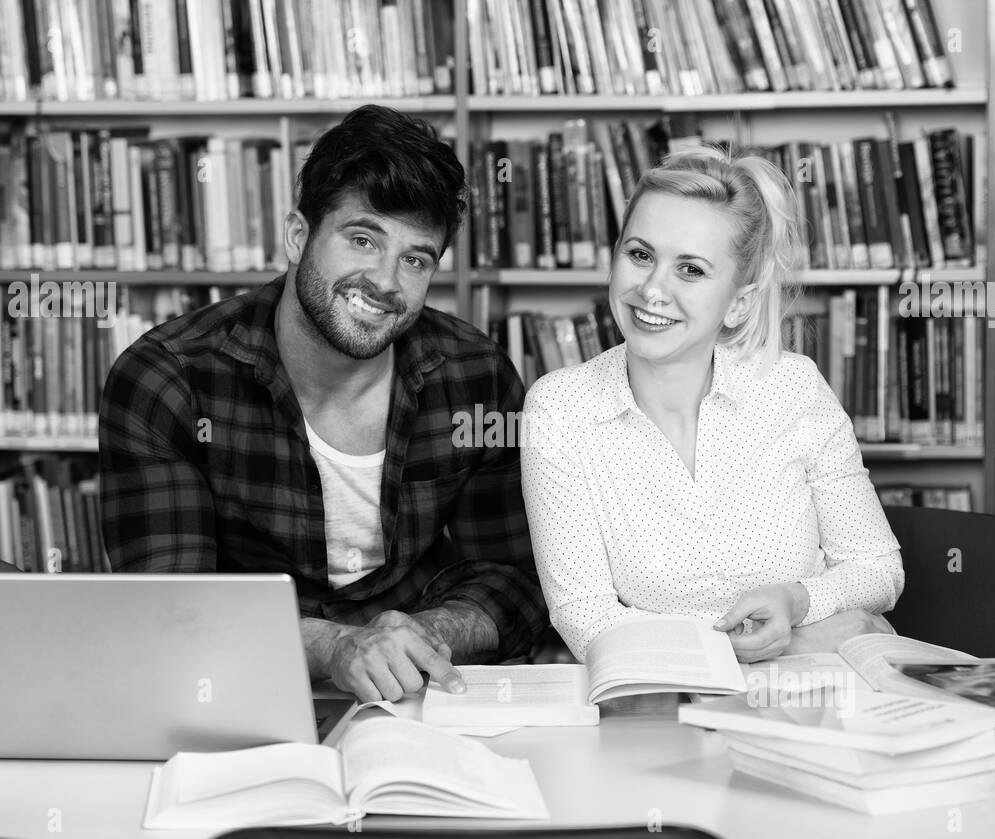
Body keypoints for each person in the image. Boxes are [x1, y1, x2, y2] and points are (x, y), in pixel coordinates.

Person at [99, 105, 547, 702]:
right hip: (232, 694)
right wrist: (333, 646)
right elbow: (173, 610)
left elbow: (515, 581)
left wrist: (425, 634)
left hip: (418, 695)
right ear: (297, 235)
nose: (385, 281)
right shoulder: (168, 378)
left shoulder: (474, 375)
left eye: (415, 258)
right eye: (363, 239)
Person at [521, 145, 904, 664]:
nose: (652, 290)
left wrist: (797, 601)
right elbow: (586, 621)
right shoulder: (559, 410)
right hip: (662, 702)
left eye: (692, 270)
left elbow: (878, 570)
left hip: (810, 707)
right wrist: (794, 640)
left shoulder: (793, 387)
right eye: (640, 255)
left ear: (739, 301)